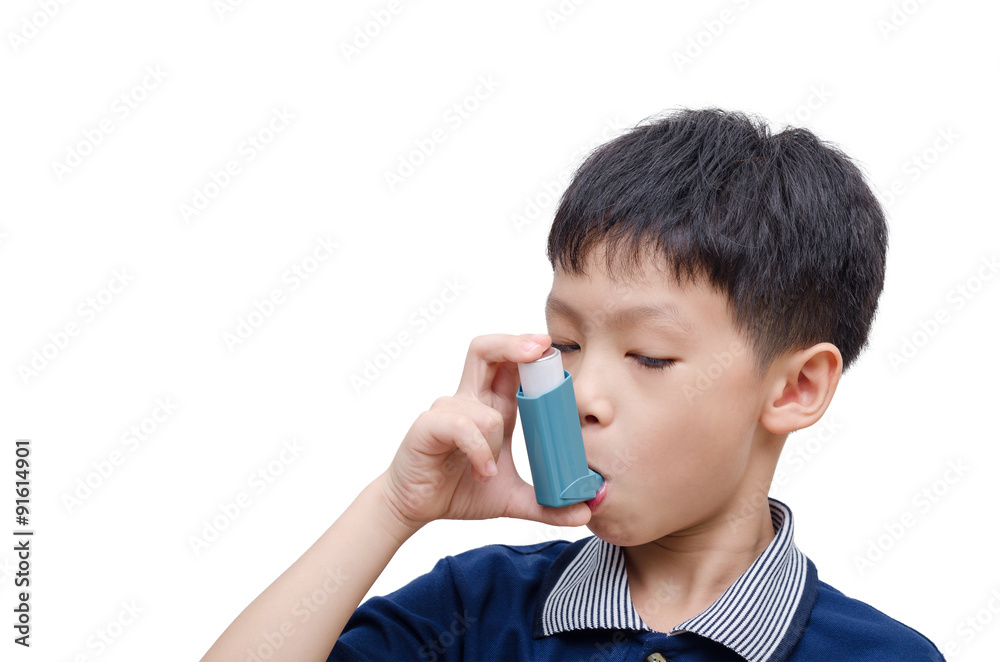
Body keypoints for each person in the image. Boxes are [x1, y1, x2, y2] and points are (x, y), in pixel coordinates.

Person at [202, 108, 946, 661]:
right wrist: (394, 507)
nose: (580, 394)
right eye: (565, 344)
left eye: (650, 356)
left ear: (794, 389)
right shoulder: (474, 612)